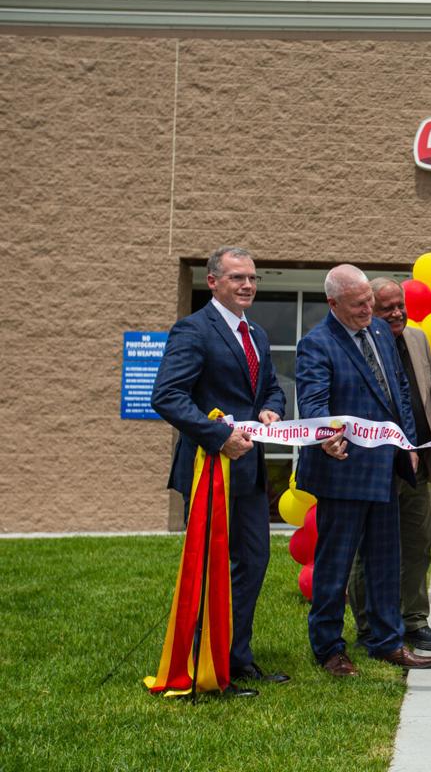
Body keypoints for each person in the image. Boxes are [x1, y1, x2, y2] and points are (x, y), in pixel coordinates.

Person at [152, 246, 288, 697]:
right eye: (236, 278)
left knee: (252, 562)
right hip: (209, 469)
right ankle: (201, 667)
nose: (247, 285)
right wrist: (216, 436)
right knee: (212, 568)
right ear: (213, 282)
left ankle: (235, 657)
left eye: (252, 278)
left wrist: (270, 409)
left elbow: (270, 388)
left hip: (248, 473)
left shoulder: (258, 335)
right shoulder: (193, 330)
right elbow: (168, 396)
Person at [295, 264, 431, 677]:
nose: (368, 310)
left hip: (386, 467)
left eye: (369, 301)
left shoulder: (378, 332)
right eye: (358, 304)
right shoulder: (316, 344)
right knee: (335, 566)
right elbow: (313, 400)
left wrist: (408, 444)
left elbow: (400, 392)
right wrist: (325, 434)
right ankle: (328, 649)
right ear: (333, 303)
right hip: (342, 472)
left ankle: (387, 641)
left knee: (385, 561)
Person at [347, 277, 431, 652]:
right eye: (386, 308)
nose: (396, 314)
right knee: (369, 549)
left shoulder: (417, 339)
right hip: (374, 464)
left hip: (416, 461)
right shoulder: (358, 342)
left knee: (417, 543)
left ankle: (414, 620)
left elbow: (424, 387)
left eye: (400, 306)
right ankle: (367, 627)